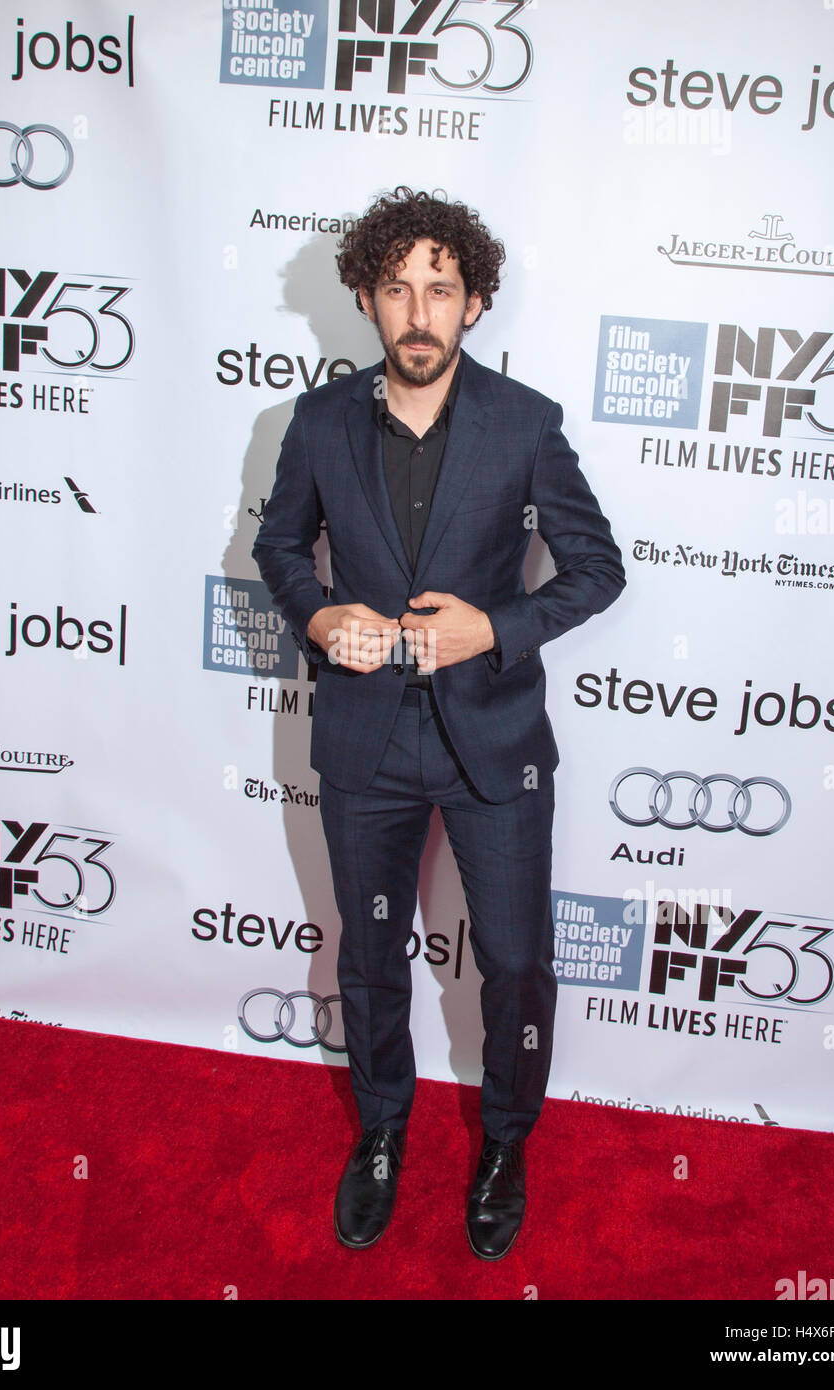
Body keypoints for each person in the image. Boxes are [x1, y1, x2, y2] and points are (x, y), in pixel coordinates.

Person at [252, 187, 625, 1259]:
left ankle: (505, 1142)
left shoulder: (526, 423)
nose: (420, 312)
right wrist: (321, 613)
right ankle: (381, 1131)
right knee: (368, 956)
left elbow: (598, 570)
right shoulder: (317, 424)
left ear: (474, 303)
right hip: (366, 738)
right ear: (367, 298)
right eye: (399, 289)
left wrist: (492, 629)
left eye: (442, 291)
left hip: (492, 741)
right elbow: (279, 551)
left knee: (512, 960)